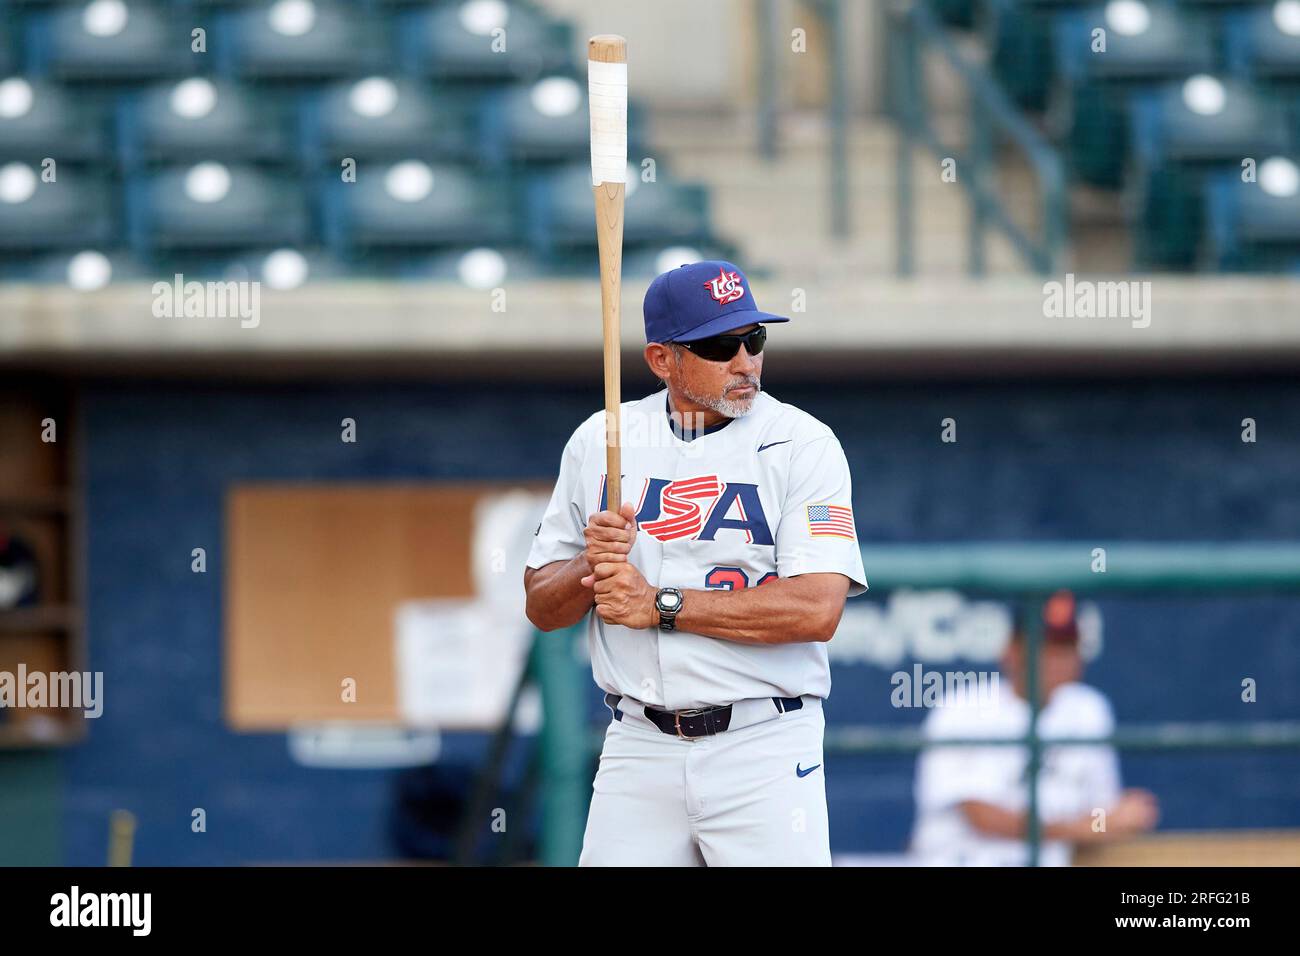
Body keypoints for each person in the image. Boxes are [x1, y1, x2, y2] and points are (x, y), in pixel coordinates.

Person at [523, 260, 869, 866]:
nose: (745, 362)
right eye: (718, 344)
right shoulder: (601, 438)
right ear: (663, 360)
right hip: (639, 739)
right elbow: (541, 607)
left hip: (763, 739)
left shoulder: (802, 442)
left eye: (754, 338)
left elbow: (817, 608)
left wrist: (659, 605)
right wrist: (590, 565)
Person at [910, 590, 1159, 866]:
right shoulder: (961, 709)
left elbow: (1103, 814)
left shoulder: (1089, 710)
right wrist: (1082, 828)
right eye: (1045, 646)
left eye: (1067, 646)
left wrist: (1115, 819)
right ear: (1011, 650)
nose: (1058, 659)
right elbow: (982, 818)